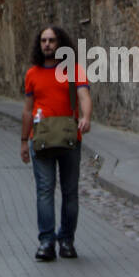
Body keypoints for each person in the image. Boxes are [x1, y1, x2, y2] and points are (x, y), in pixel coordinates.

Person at [21, 24, 92, 261]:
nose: (47, 45)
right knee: (45, 190)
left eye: (51, 40)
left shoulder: (73, 70)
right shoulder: (32, 73)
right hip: (41, 138)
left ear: (60, 43)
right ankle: (46, 241)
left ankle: (67, 240)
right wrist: (23, 140)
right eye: (43, 41)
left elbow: (84, 96)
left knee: (70, 192)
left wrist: (86, 117)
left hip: (69, 137)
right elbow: (28, 110)